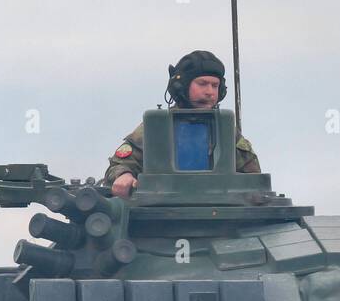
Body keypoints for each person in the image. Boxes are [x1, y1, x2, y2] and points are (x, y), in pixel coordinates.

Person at [105, 50, 261, 198]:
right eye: (202, 83)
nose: (209, 92)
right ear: (182, 85)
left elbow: (254, 179)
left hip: (221, 214)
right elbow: (120, 165)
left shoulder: (225, 130)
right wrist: (123, 175)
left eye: (215, 85)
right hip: (163, 212)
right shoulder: (158, 127)